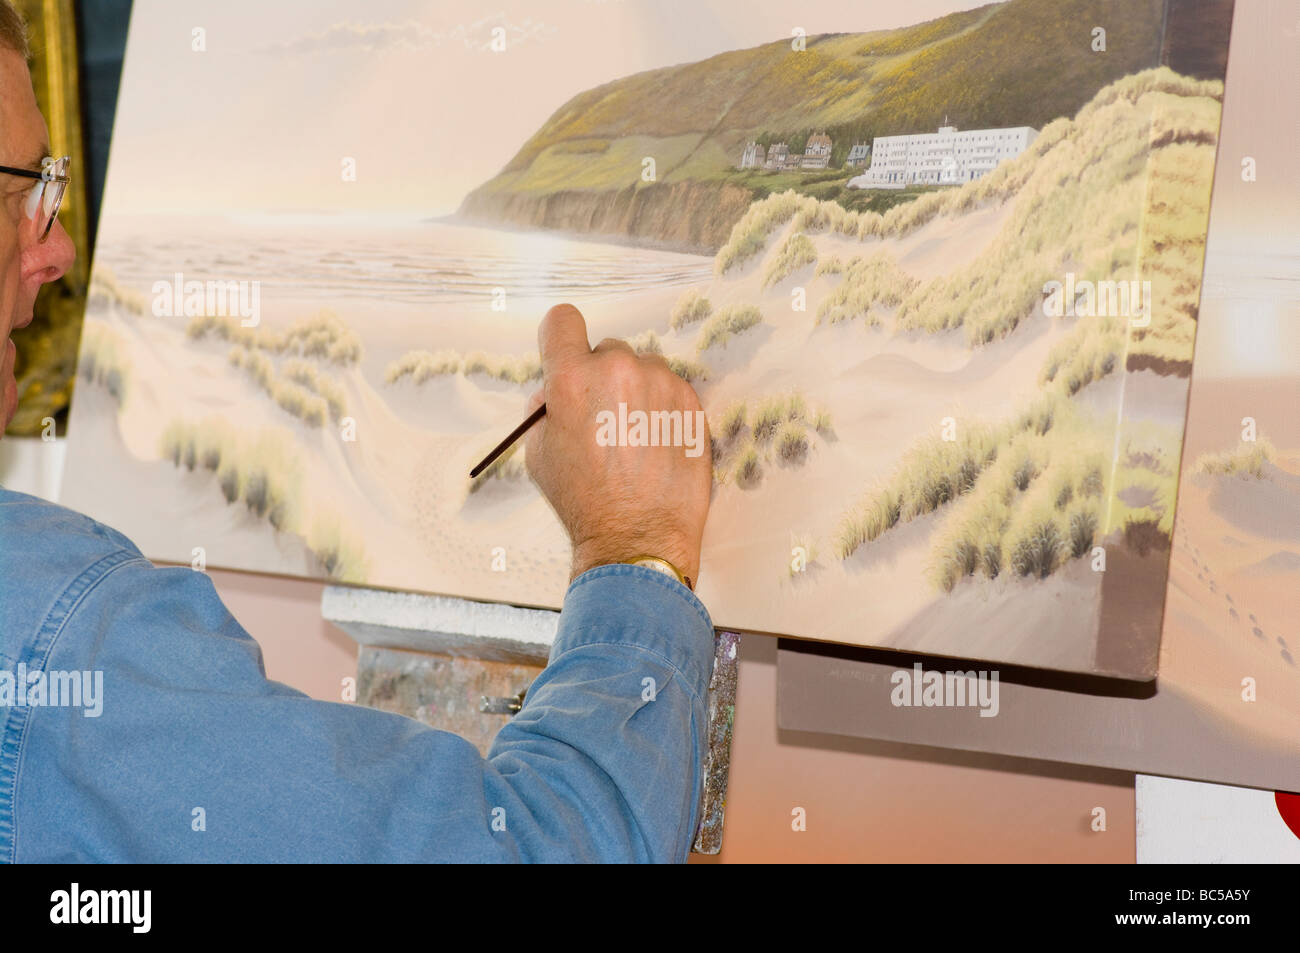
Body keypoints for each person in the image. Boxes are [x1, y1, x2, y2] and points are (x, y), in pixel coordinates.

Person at [0, 3, 713, 862]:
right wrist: (634, 551)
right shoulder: (58, 640)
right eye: (25, 190)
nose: (58, 247)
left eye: (55, 186)